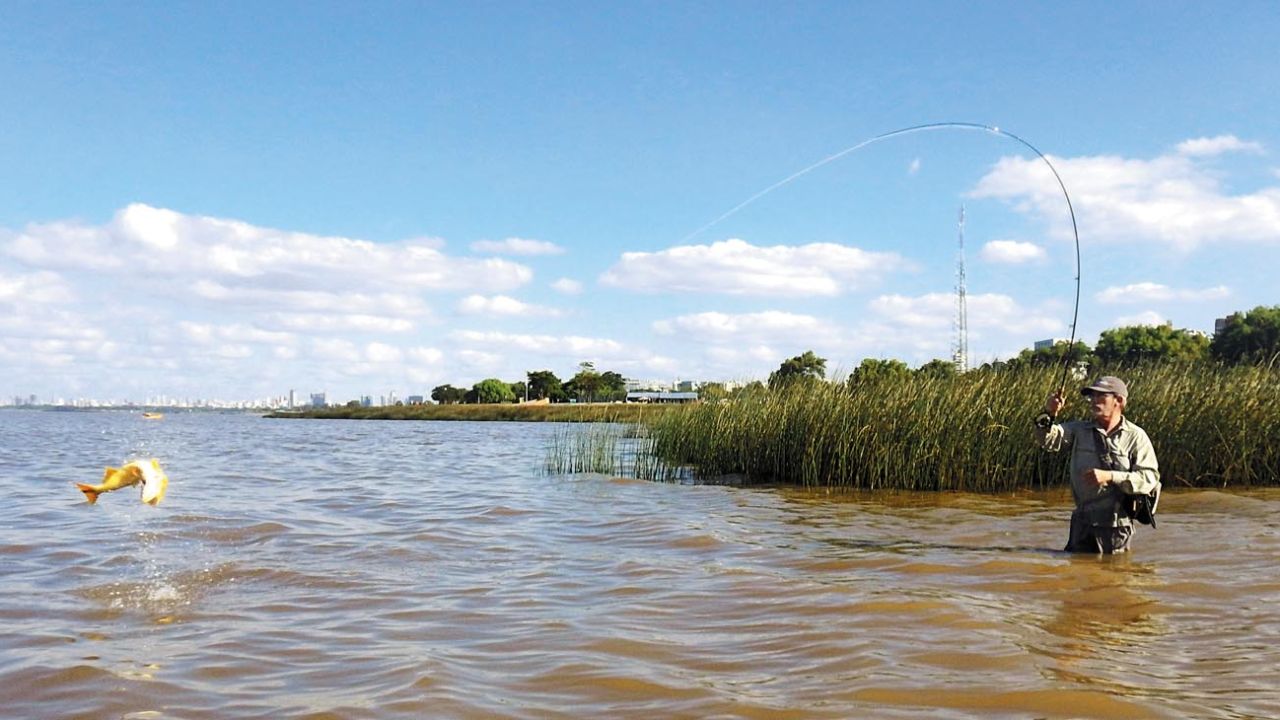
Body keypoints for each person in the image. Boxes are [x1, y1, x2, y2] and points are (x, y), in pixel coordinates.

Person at [1034, 375, 1161, 554]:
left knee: (1114, 579)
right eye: (1091, 396)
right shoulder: (1079, 430)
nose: (1094, 401)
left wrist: (1110, 476)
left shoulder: (1135, 436)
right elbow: (1046, 440)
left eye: (1101, 396)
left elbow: (1149, 479)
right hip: (1082, 523)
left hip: (1116, 527)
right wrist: (1049, 412)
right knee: (1078, 576)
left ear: (1119, 400)